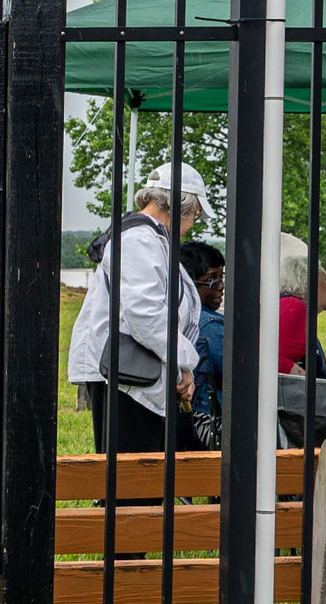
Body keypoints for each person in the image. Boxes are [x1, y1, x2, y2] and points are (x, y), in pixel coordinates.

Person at [66, 162, 208, 453]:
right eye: (194, 215)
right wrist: (184, 365)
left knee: (143, 482)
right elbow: (145, 314)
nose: (192, 224)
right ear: (182, 207)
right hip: (127, 382)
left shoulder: (150, 239)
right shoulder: (140, 239)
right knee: (132, 484)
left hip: (135, 379)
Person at [179, 240, 227, 448]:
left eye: (221, 277)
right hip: (209, 421)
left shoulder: (183, 316)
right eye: (211, 280)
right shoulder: (209, 325)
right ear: (189, 283)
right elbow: (241, 372)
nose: (220, 286)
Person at [276, 233, 326, 380]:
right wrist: (313, 390)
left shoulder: (293, 307)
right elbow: (272, 359)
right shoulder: (293, 307)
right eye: (325, 280)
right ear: (308, 282)